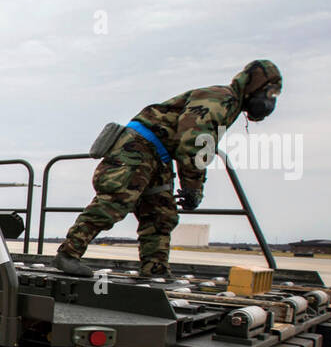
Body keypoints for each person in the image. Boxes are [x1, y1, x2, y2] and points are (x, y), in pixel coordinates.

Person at [54, 60, 282, 278]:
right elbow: (193, 143)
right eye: (269, 92)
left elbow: (197, 145)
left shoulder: (228, 106)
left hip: (159, 156)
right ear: (254, 86)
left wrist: (193, 185)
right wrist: (193, 188)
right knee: (115, 202)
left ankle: (155, 269)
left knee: (161, 214)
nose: (269, 101)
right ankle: (68, 254)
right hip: (138, 148)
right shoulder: (219, 100)